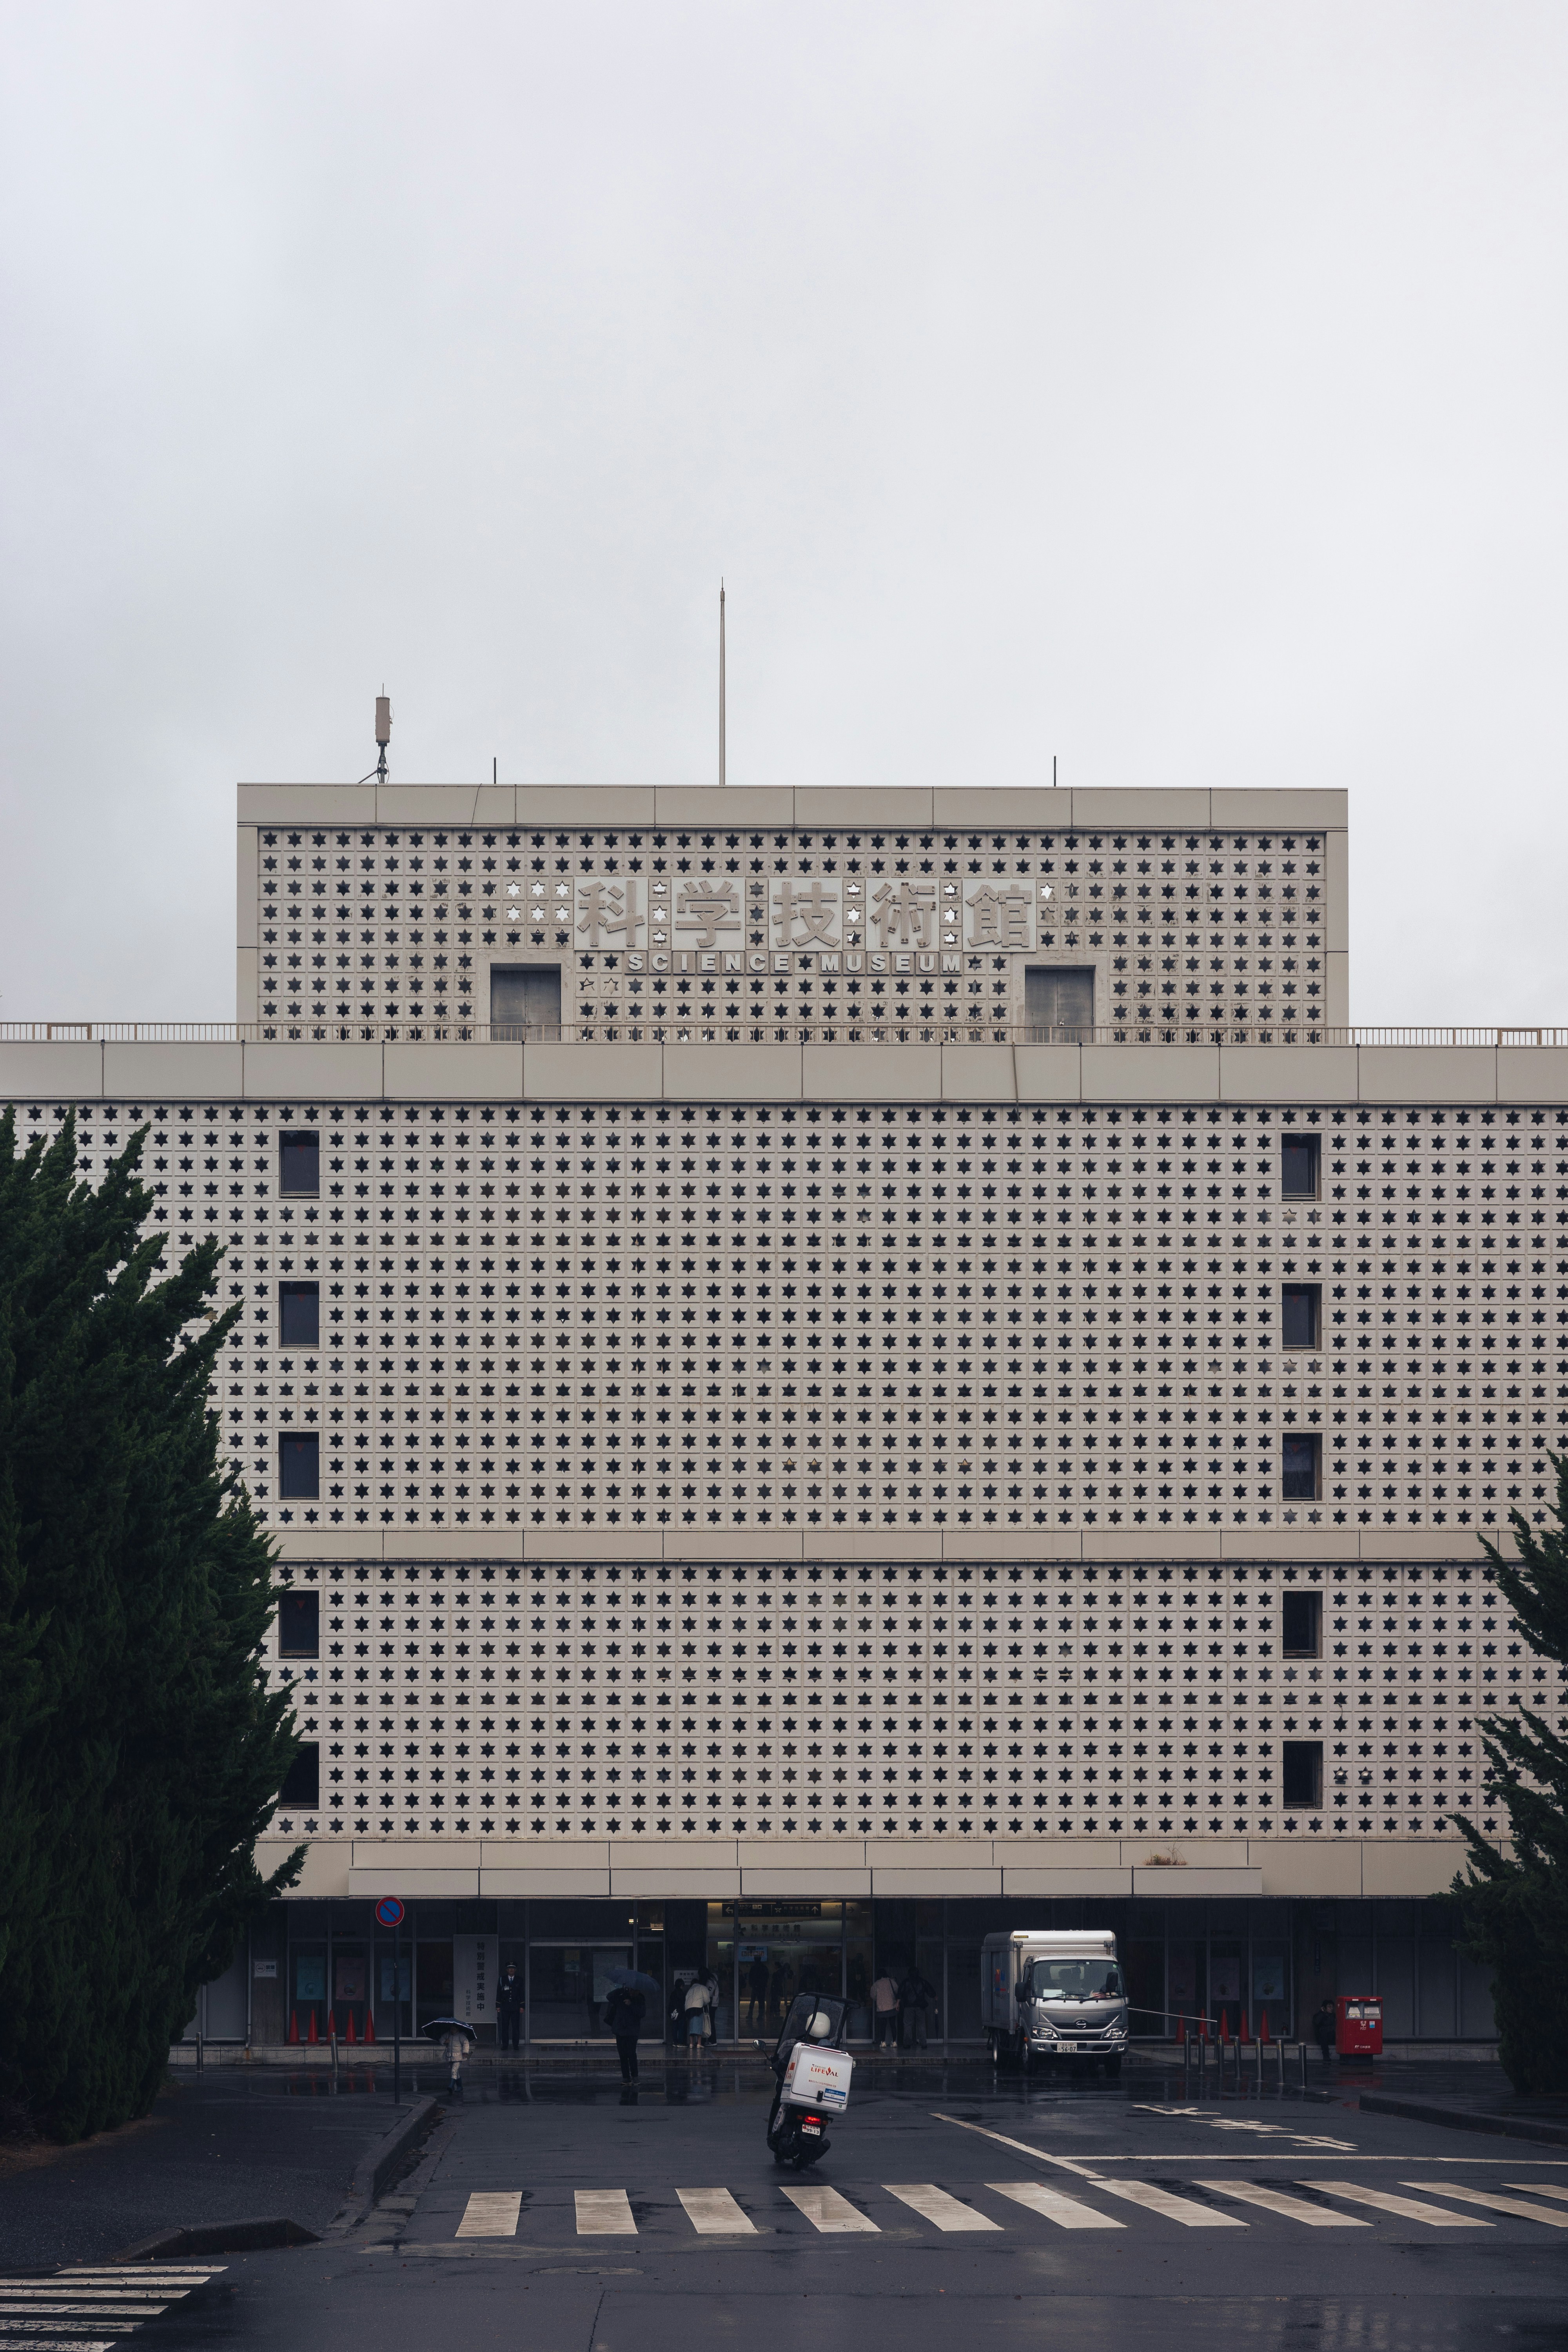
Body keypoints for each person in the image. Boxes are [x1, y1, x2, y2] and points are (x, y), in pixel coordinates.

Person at [605, 1982, 645, 2083]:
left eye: (633, 1990)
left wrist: (631, 2005)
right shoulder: (622, 1996)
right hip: (621, 2030)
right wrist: (621, 1990)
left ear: (638, 1991)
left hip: (632, 2032)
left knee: (631, 2054)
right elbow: (609, 1997)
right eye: (630, 1989)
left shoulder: (640, 1999)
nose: (631, 1992)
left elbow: (642, 2013)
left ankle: (635, 2076)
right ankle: (626, 2077)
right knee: (622, 2055)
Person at [898, 1966, 934, 2051]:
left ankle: (907, 2044)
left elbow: (900, 1993)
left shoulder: (906, 1982)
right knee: (921, 2025)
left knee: (908, 2025)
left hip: (909, 2006)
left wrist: (898, 2003)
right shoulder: (922, 1981)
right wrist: (935, 1996)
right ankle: (924, 2044)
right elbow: (930, 1991)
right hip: (920, 2006)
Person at [496, 1962, 523, 2055]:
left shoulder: (519, 1980)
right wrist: (498, 2006)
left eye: (513, 1968)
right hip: (505, 2006)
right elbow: (499, 1992)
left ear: (515, 1970)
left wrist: (522, 2006)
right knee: (505, 2027)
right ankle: (505, 2045)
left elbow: (522, 1994)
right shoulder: (502, 1979)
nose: (511, 1970)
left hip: (515, 2006)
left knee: (516, 2027)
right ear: (507, 1970)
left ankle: (516, 2045)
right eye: (509, 1968)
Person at [682, 1970, 712, 2052]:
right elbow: (707, 2000)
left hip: (689, 2009)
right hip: (698, 2008)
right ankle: (699, 2043)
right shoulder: (702, 1988)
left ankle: (691, 2043)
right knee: (699, 2025)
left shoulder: (690, 1990)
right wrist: (704, 2003)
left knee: (692, 2026)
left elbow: (686, 2000)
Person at [871, 1966, 900, 2051]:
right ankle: (894, 2042)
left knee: (882, 2026)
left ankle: (883, 2042)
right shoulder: (892, 1982)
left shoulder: (876, 1984)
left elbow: (873, 1996)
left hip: (881, 2008)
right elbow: (897, 1991)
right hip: (892, 2006)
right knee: (893, 2025)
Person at [439, 2023, 474, 2093]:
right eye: (452, 2029)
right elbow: (441, 2039)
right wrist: (445, 2042)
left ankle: (451, 2086)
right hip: (450, 2057)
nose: (452, 2030)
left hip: (459, 2057)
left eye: (454, 2029)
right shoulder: (448, 2035)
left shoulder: (461, 2036)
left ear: (458, 2029)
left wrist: (465, 2052)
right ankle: (460, 2087)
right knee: (456, 2072)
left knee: (454, 2071)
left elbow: (466, 2043)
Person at [746, 1955, 769, 2031]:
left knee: (752, 2002)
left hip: (755, 1987)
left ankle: (750, 2015)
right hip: (761, 1987)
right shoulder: (764, 1967)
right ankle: (761, 2016)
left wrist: (752, 1984)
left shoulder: (754, 1968)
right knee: (761, 2002)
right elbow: (767, 1976)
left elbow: (751, 1977)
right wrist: (764, 1984)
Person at [1313, 1997, 1338, 2065]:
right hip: (1323, 2037)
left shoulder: (1334, 2016)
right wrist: (1322, 2013)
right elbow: (1317, 2023)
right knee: (1323, 2033)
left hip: (1332, 2036)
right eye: (1329, 2007)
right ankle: (1326, 2056)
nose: (1331, 2008)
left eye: (1332, 2007)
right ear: (1324, 2008)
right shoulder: (1319, 2015)